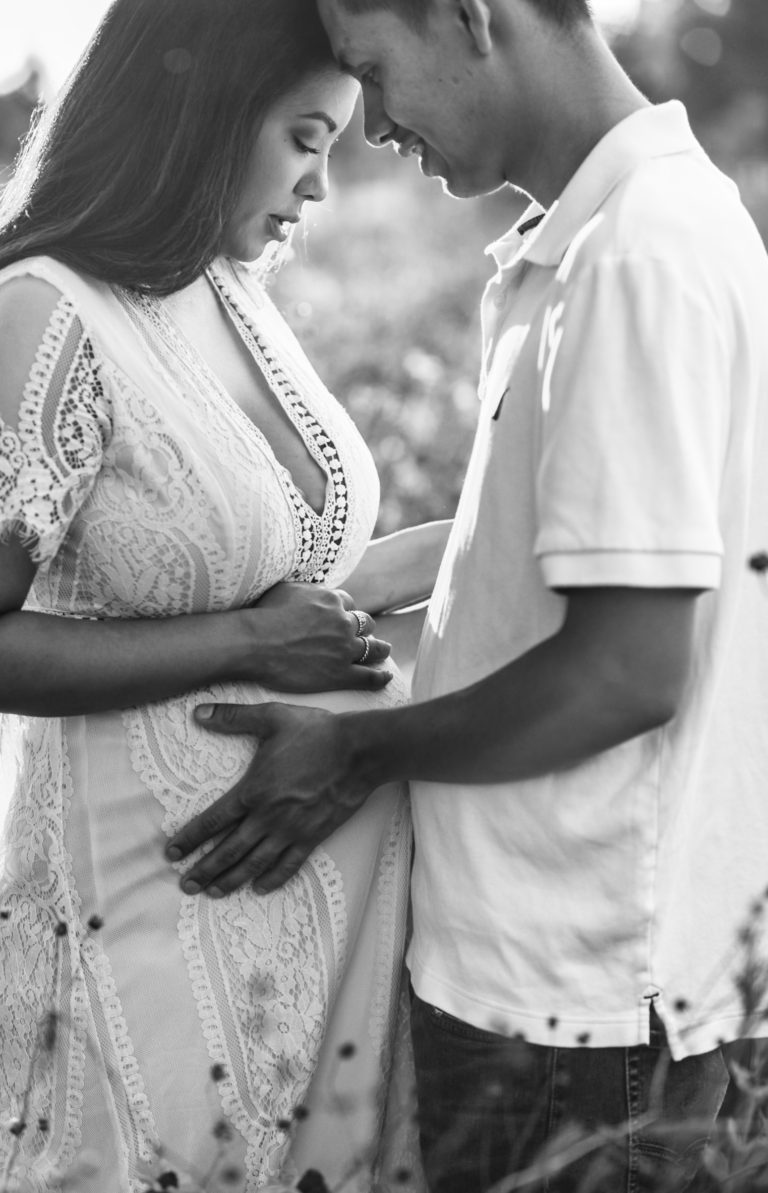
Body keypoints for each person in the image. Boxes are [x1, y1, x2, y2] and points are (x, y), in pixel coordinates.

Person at [165, 0, 768, 1190]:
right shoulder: (614, 237)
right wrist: (387, 571)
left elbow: (623, 670)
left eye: (375, 73)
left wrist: (355, 752)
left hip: (578, 1006)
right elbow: (620, 535)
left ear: (468, 14)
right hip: (562, 992)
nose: (373, 126)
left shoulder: (637, 254)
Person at [0, 1, 448, 1188]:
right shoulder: (49, 310)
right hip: (152, 916)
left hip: (328, 947)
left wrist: (483, 540)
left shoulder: (224, 286)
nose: (319, 187)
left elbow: (282, 581)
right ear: (201, 109)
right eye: (306, 138)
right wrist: (247, 636)